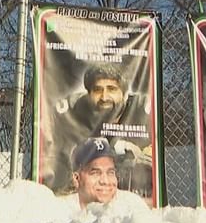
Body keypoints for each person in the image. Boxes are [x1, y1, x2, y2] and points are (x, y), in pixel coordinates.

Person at [44, 63, 152, 194]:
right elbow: (55, 163)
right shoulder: (72, 112)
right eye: (97, 90)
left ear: (124, 94)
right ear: (88, 94)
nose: (104, 97)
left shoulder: (142, 110)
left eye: (111, 89)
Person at [65, 137, 119, 209]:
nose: (105, 181)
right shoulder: (60, 215)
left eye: (110, 173)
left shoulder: (132, 211)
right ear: (77, 179)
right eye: (96, 173)